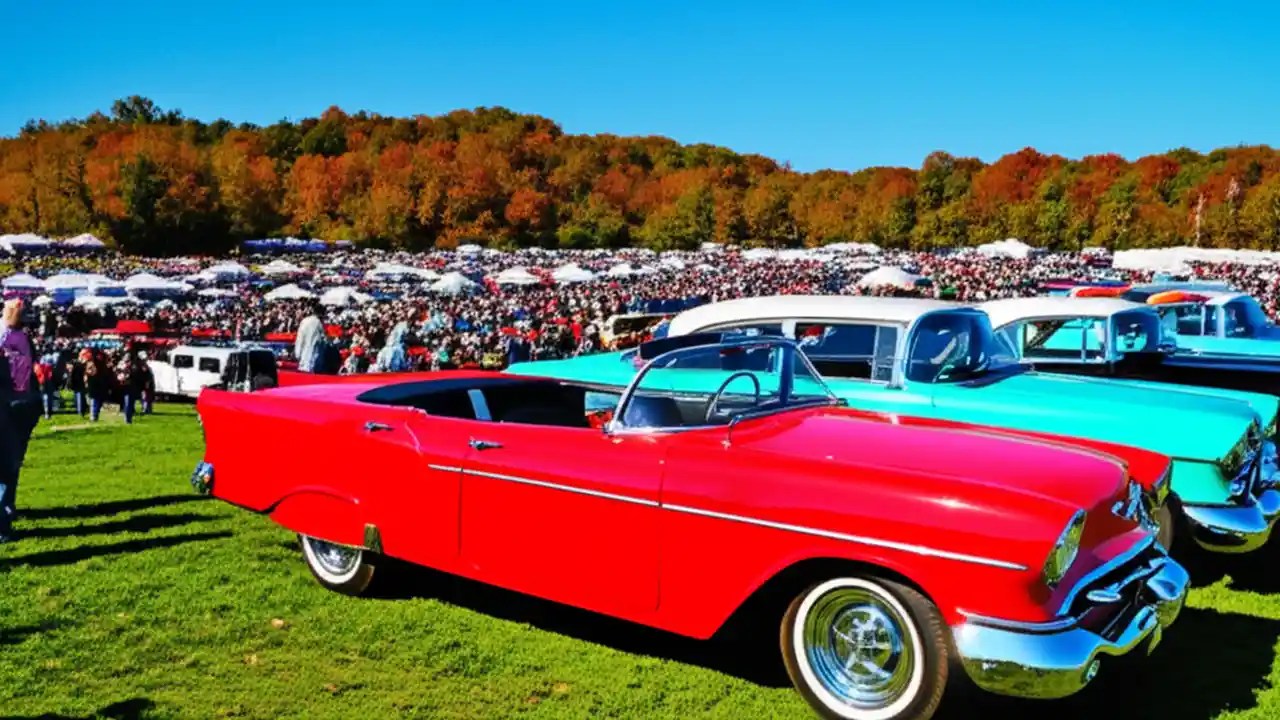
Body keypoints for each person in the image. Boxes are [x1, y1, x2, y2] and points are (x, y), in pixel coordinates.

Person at [0, 298, 40, 540]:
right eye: (18, 311)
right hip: (6, 405)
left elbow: (30, 368)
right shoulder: (2, 337)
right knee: (5, 466)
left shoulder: (24, 337)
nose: (21, 315)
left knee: (11, 465)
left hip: (22, 405)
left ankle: (6, 513)